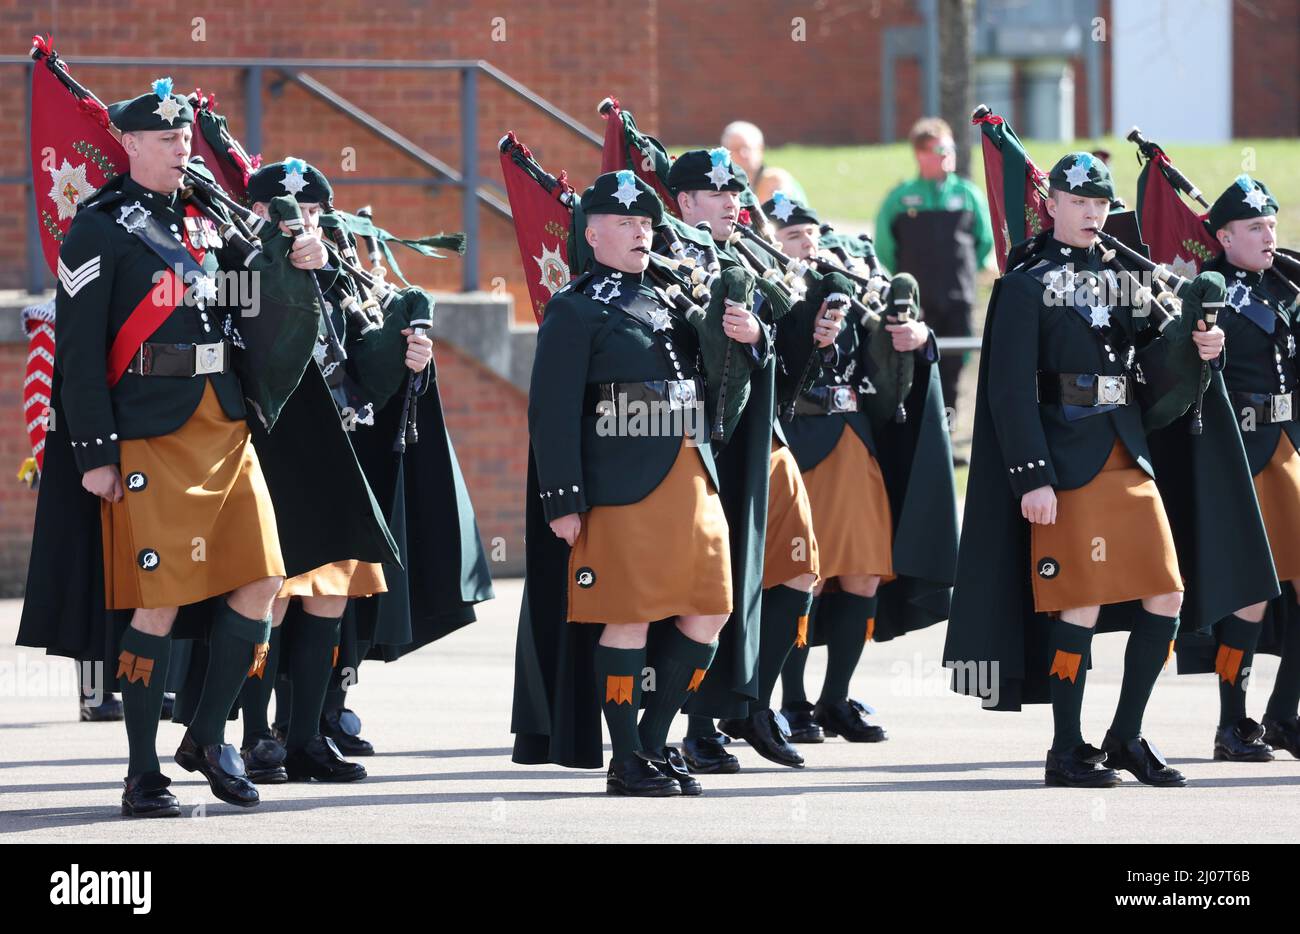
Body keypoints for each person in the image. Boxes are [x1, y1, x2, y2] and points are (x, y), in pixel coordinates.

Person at [17, 80, 304, 815]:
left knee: (263, 580)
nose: (183, 150)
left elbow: (256, 299)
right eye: (168, 141)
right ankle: (143, 770)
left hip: (223, 422)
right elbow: (78, 355)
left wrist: (294, 256)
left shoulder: (209, 222)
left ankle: (207, 735)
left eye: (186, 140)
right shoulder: (100, 228)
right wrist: (95, 454)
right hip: (148, 428)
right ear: (133, 146)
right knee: (161, 604)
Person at [944, 152, 1226, 788]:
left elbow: (1162, 349)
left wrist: (1202, 341)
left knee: (1168, 594)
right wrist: (1031, 476)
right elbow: (1009, 391)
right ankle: (1066, 748)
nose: (1092, 214)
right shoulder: (1024, 284)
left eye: (1100, 204)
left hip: (1127, 449)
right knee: (1080, 603)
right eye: (1079, 202)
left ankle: (1126, 735)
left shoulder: (1126, 277)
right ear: (1052, 204)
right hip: (1065, 459)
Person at [512, 171, 734, 796]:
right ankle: (628, 754)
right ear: (593, 233)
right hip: (621, 481)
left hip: (690, 469)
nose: (641, 233)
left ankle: (658, 740)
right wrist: (562, 498)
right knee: (629, 616)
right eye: (625, 224)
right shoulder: (575, 307)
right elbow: (550, 410)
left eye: (646, 223)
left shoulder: (672, 298)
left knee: (710, 607)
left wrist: (745, 331)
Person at [765, 192, 958, 745]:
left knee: (864, 573)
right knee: (802, 576)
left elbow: (893, 331)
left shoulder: (847, 281)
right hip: (799, 443)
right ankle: (792, 703)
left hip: (855, 441)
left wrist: (922, 339)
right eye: (792, 236)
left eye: (810, 234)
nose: (807, 244)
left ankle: (834, 700)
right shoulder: (769, 292)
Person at [663, 149, 825, 772]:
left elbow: (778, 336)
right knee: (718, 587)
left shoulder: (748, 254)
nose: (734, 199)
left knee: (800, 568)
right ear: (684, 202)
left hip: (765, 434)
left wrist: (781, 334)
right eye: (717, 191)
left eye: (735, 189)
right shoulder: (669, 257)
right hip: (702, 442)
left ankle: (753, 702)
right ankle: (697, 725)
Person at [1172, 176, 1300, 761]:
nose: (1268, 235)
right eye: (1254, 227)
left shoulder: (1285, 287)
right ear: (1223, 237)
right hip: (1244, 455)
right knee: (1249, 593)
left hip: (1289, 450)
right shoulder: (1211, 293)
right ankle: (1233, 724)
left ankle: (1282, 714)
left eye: (1271, 224)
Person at [875, 117, 994, 420]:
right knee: (915, 366)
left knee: (952, 369)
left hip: (958, 300)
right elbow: (885, 249)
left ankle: (948, 434)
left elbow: (983, 242)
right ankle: (917, 431)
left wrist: (966, 275)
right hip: (918, 304)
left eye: (950, 148)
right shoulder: (900, 198)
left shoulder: (968, 195)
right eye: (939, 149)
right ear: (920, 154)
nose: (947, 155)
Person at [722, 120, 808, 207]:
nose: (743, 154)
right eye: (736, 149)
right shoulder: (722, 182)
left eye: (747, 148)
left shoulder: (775, 180)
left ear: (761, 149)